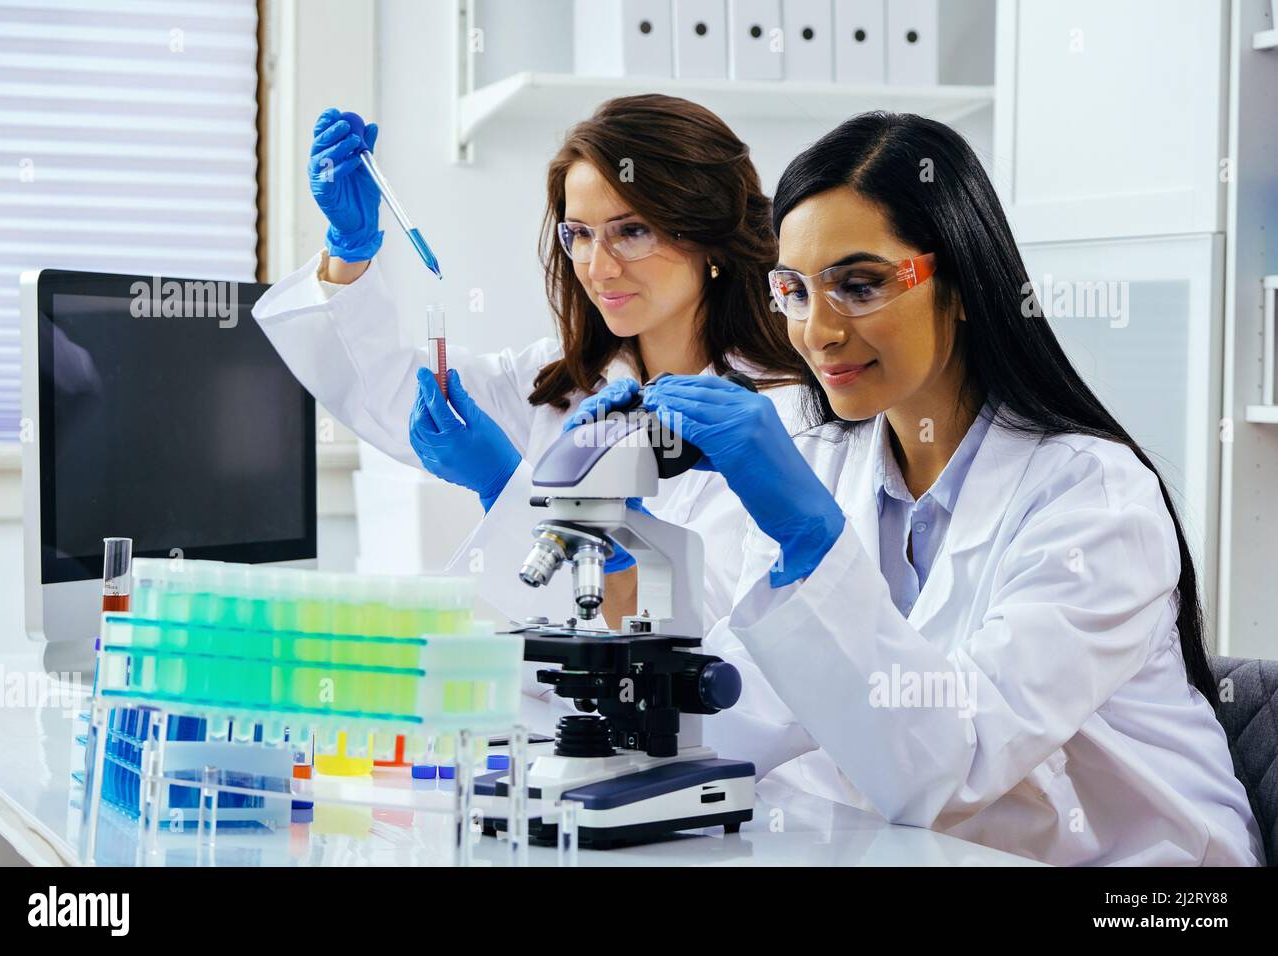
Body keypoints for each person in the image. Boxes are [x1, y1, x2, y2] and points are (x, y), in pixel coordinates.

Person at [578, 112, 1262, 866]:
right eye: (795, 291)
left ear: (963, 284)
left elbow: (952, 764)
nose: (819, 331)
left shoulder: (1093, 501)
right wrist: (627, 542)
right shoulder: (832, 460)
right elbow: (744, 716)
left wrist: (814, 544)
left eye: (859, 285)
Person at [251, 95, 806, 628]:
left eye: (632, 231)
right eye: (580, 235)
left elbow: (731, 642)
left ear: (711, 238)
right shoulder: (556, 386)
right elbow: (389, 392)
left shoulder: (780, 416)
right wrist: (351, 252)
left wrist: (506, 487)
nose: (598, 267)